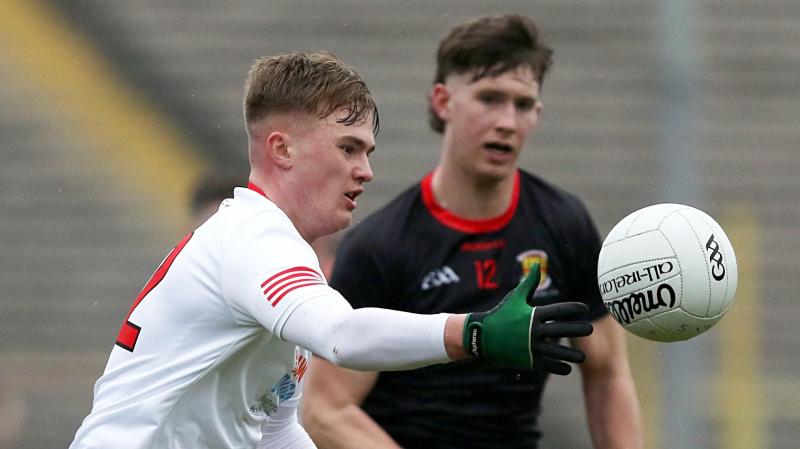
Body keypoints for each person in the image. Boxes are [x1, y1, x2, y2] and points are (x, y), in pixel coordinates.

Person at [69, 52, 592, 449]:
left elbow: (275, 430)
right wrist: (473, 331)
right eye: (348, 148)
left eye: (367, 151)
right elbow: (342, 337)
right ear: (282, 148)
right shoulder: (255, 239)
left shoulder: (270, 253)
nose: (365, 170)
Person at [302, 14, 642, 449]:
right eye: (489, 98)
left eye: (522, 104)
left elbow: (608, 370)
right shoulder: (382, 247)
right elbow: (326, 411)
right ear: (443, 101)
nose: (507, 121)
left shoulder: (564, 223)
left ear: (537, 114)